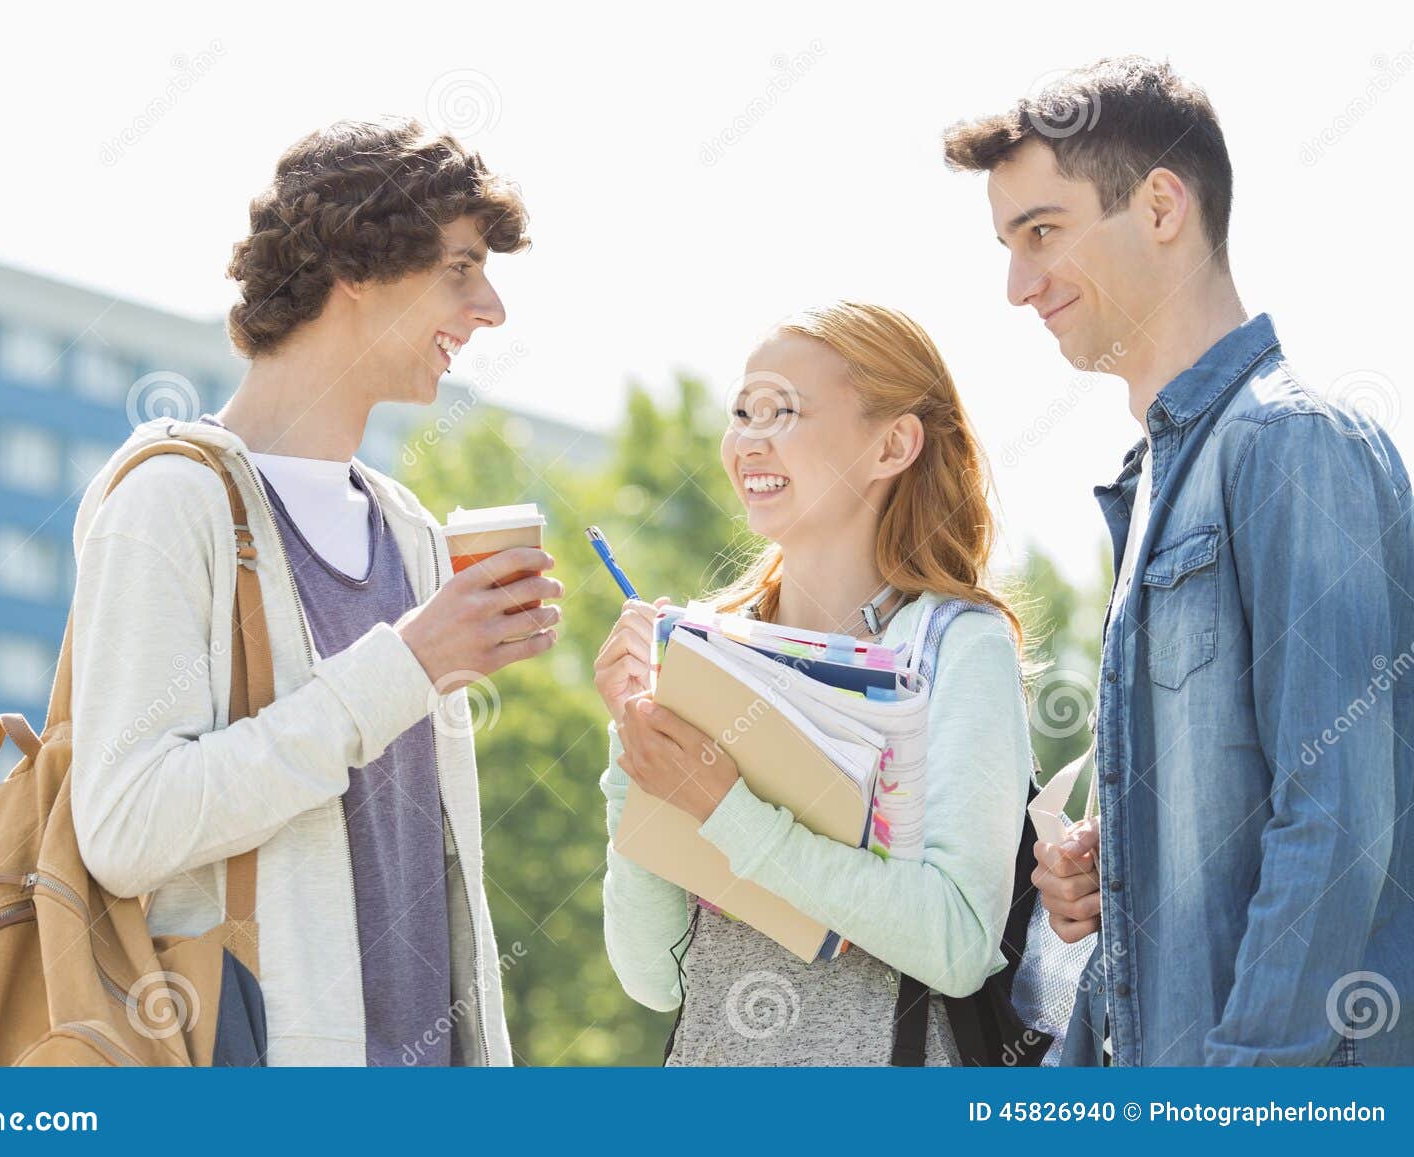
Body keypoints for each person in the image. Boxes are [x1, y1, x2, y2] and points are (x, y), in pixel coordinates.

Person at [944, 56, 1413, 1065]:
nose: (1018, 285)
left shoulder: (1292, 444)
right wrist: (1120, 869)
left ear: (1159, 204)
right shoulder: (1153, 478)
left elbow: (1340, 831)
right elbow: (1239, 814)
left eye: (1041, 233)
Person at [68, 118, 562, 1066]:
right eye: (460, 267)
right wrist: (408, 666)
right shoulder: (174, 501)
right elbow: (127, 828)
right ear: (357, 265)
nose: (490, 307)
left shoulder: (412, 533)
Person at [595, 302, 1035, 1065]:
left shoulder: (959, 648)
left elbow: (960, 944)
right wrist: (631, 754)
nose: (748, 438)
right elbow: (651, 975)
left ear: (893, 443)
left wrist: (727, 810)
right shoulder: (706, 645)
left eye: (783, 410)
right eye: (741, 411)